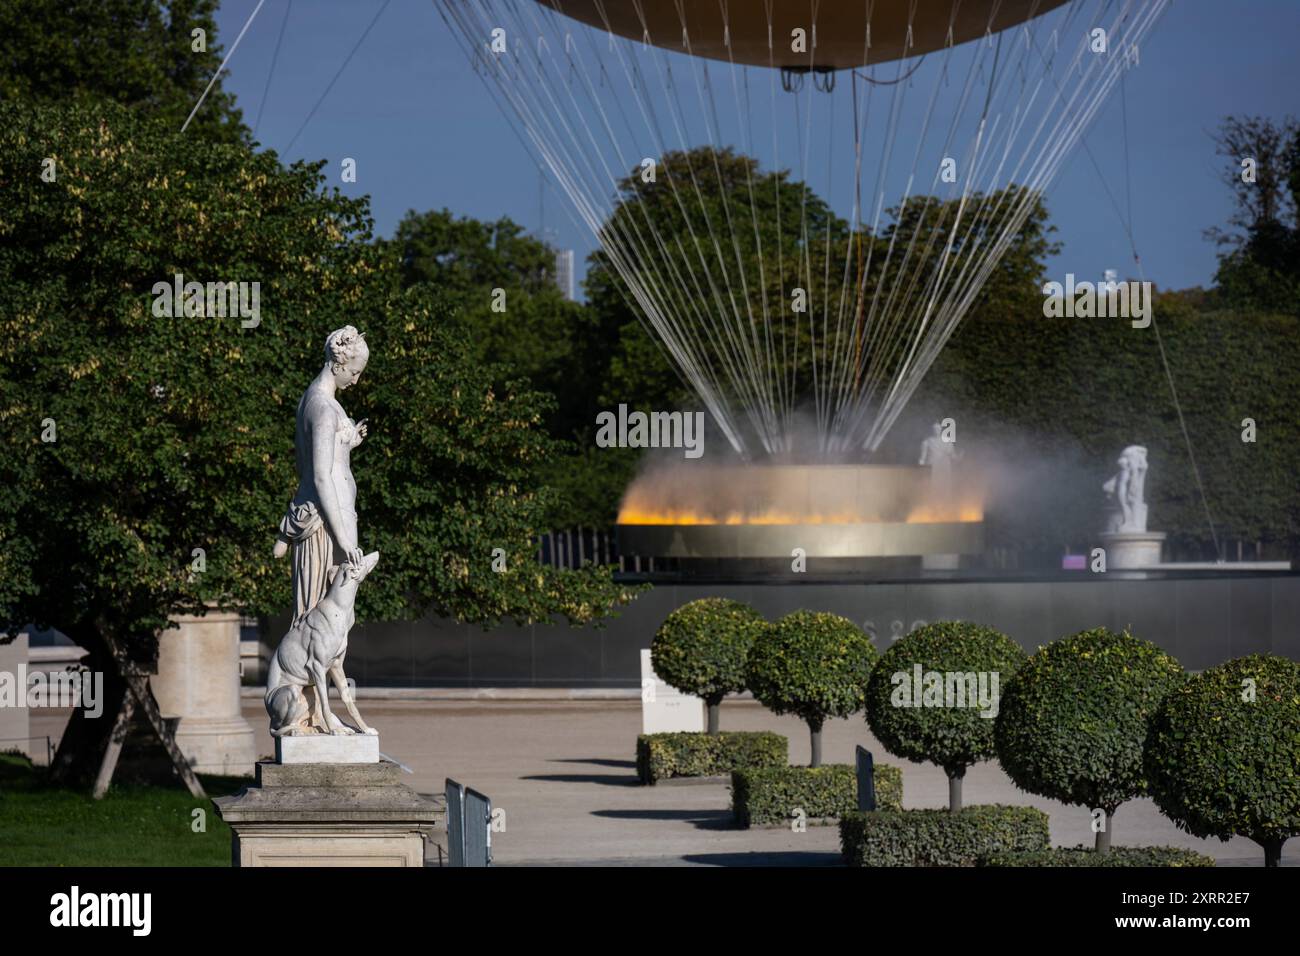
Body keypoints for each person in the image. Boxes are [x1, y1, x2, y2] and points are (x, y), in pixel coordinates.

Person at [273, 326, 370, 624]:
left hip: (332, 512)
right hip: (328, 519)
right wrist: (342, 539)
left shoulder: (313, 399)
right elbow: (321, 476)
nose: (355, 380)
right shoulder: (324, 408)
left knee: (332, 613)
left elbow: (327, 458)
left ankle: (332, 672)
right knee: (326, 614)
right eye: (353, 373)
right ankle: (312, 671)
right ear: (338, 364)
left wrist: (348, 441)